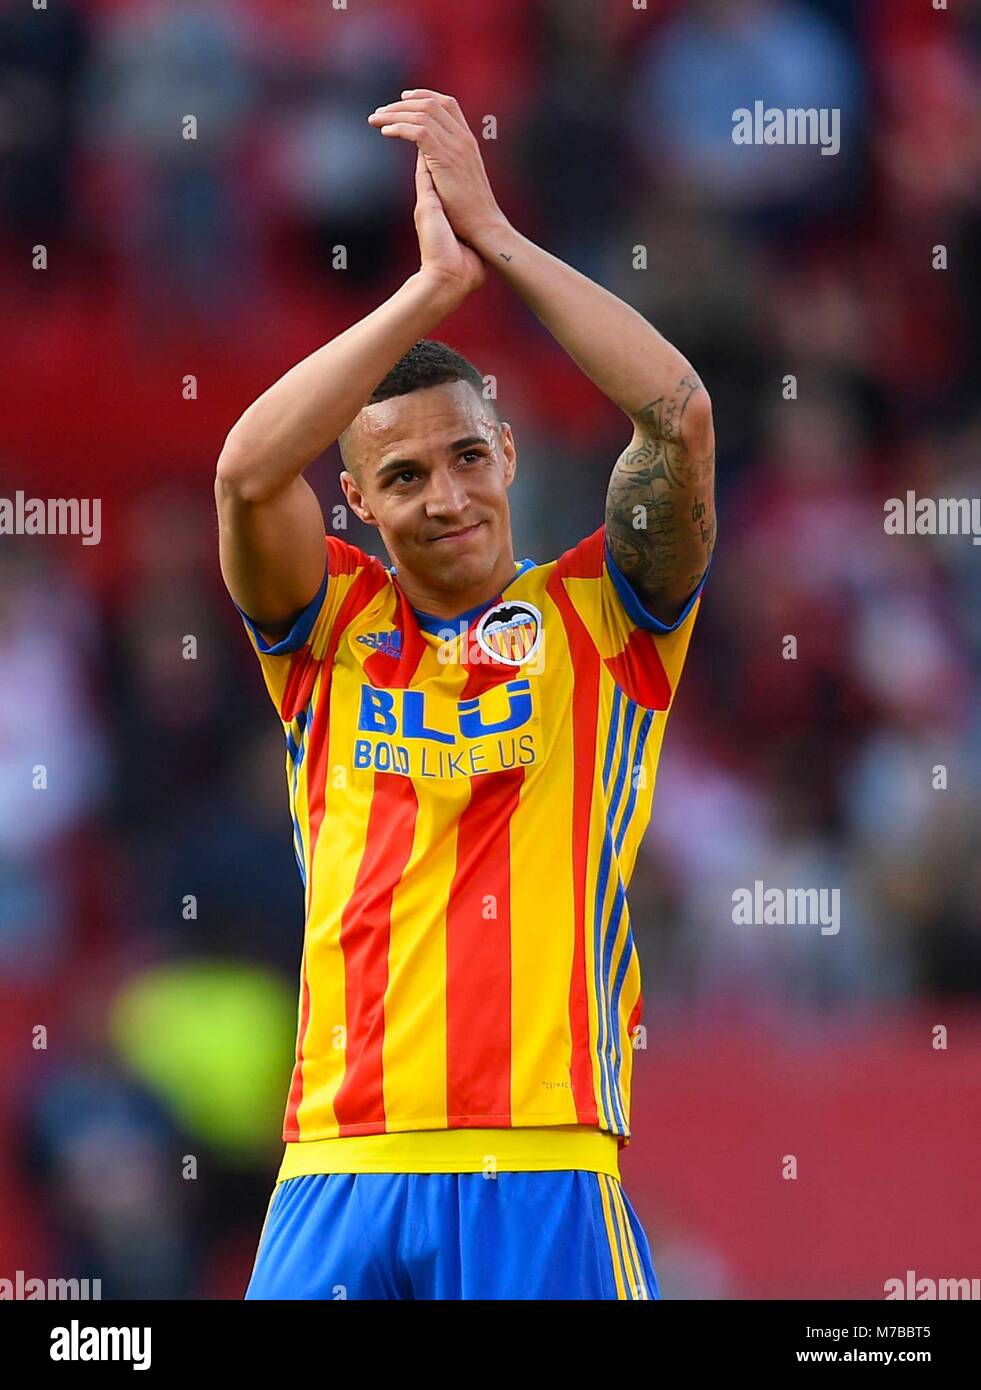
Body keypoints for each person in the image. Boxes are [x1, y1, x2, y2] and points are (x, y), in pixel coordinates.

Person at [215, 89, 716, 1300]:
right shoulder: (328, 628)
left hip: (540, 1164)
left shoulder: (606, 619)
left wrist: (495, 241)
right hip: (338, 1160)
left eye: (467, 457)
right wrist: (428, 295)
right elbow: (244, 471)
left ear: (510, 458)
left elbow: (678, 415)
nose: (445, 497)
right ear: (361, 508)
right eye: (402, 474)